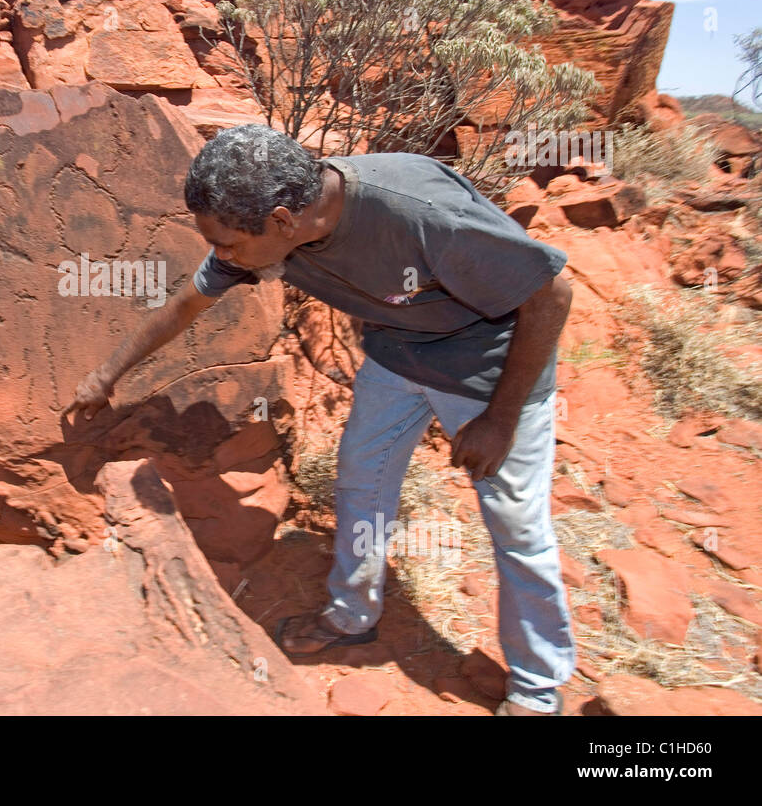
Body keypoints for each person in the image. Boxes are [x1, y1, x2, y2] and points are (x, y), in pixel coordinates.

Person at [62, 123, 575, 716]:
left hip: (492, 371)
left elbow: (551, 296)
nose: (221, 256)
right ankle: (352, 614)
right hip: (397, 356)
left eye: (227, 244)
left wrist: (501, 420)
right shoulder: (263, 227)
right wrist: (108, 373)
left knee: (517, 527)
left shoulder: (421, 212)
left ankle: (538, 691)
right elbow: (188, 303)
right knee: (360, 481)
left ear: (283, 221)